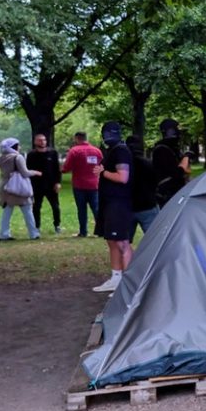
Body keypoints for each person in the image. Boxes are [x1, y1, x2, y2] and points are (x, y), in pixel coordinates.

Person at [91, 122, 133, 293]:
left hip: (119, 203)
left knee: (122, 242)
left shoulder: (121, 151)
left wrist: (102, 172)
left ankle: (128, 285)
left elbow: (123, 177)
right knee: (112, 241)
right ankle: (116, 279)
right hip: (109, 202)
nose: (108, 136)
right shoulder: (112, 151)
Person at [0, 138, 41, 241]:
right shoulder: (18, 157)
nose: (19, 147)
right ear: (14, 147)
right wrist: (35, 172)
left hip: (5, 186)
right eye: (18, 145)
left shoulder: (0, 157)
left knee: (7, 210)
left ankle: (3, 234)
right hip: (18, 187)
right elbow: (24, 173)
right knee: (27, 209)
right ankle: (33, 233)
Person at [61, 131, 102, 237]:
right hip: (94, 184)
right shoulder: (97, 151)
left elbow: (66, 168)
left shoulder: (74, 151)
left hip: (79, 185)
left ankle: (83, 231)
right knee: (96, 208)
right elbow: (101, 164)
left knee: (82, 209)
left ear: (76, 138)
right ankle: (101, 230)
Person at [26, 133, 62, 235]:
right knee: (36, 207)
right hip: (36, 185)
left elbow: (57, 169)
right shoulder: (31, 155)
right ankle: (36, 227)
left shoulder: (53, 153)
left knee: (55, 206)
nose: (42, 142)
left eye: (44, 140)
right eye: (40, 140)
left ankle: (57, 225)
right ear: (35, 142)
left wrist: (58, 182)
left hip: (51, 184)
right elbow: (28, 170)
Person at [125, 136, 159, 242]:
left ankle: (126, 258)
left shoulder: (123, 166)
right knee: (154, 239)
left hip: (127, 206)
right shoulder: (149, 164)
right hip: (148, 204)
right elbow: (156, 182)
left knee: (124, 242)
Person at [152, 118, 191, 208]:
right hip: (169, 195)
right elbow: (178, 172)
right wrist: (186, 157)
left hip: (177, 193)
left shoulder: (173, 149)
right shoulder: (162, 150)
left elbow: (186, 171)